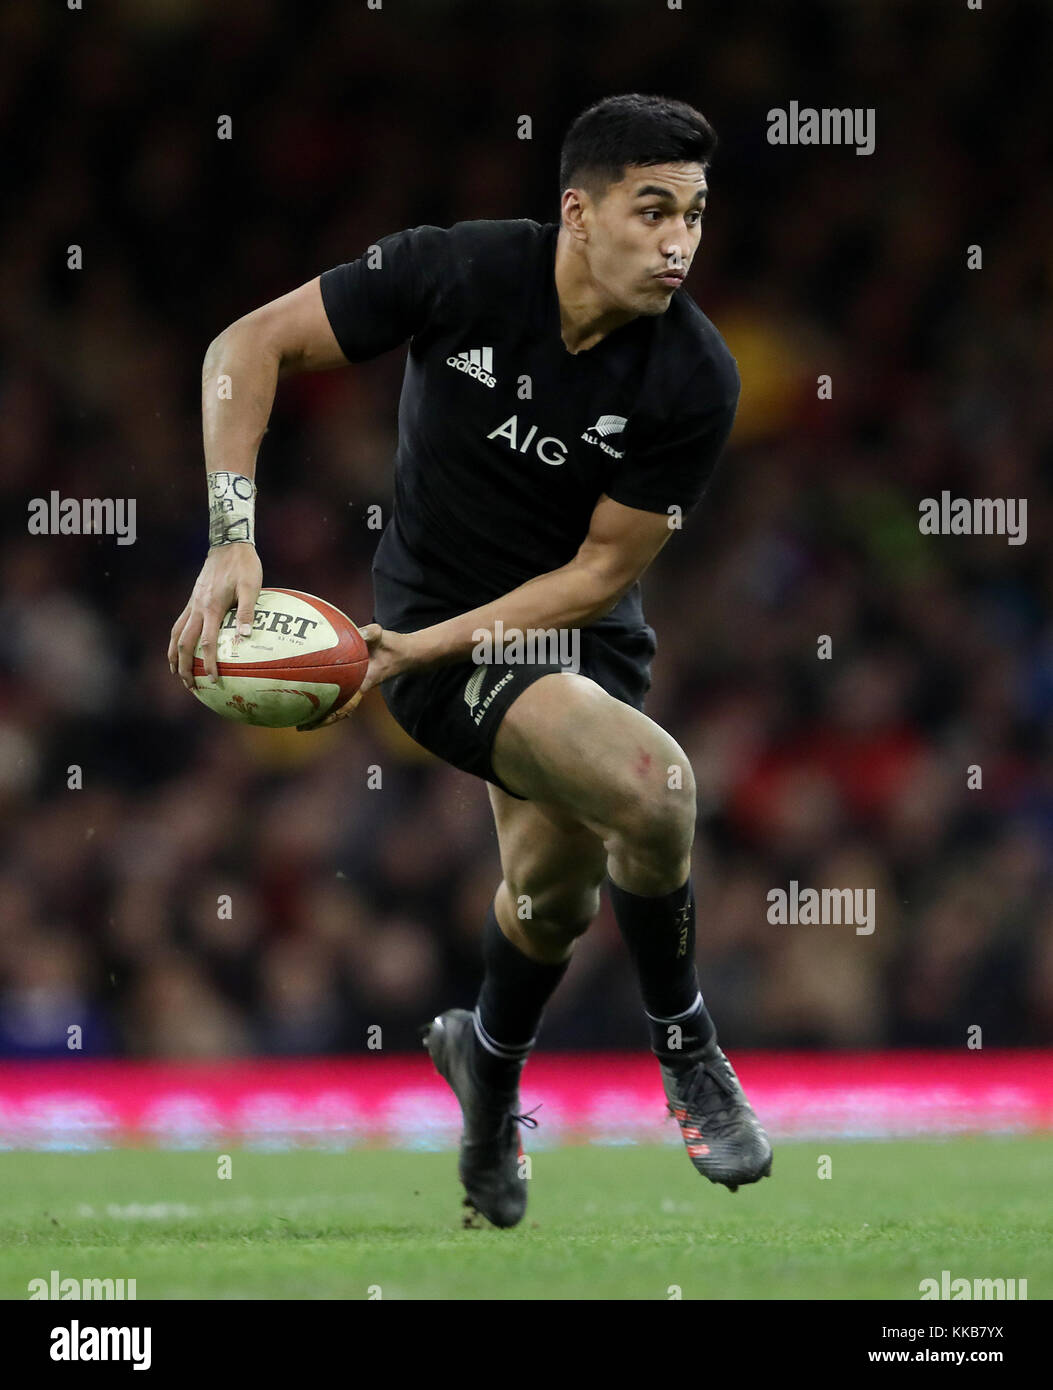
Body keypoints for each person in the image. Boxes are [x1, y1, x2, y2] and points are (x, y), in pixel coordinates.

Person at [169, 93, 772, 1228]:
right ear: (577, 213)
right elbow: (245, 345)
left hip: (554, 636)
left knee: (553, 900)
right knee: (659, 788)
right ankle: (688, 1047)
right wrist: (232, 534)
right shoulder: (457, 274)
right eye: (653, 211)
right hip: (440, 634)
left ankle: (487, 1076)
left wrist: (400, 653)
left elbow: (599, 575)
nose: (680, 240)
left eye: (694, 213)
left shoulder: (697, 377)